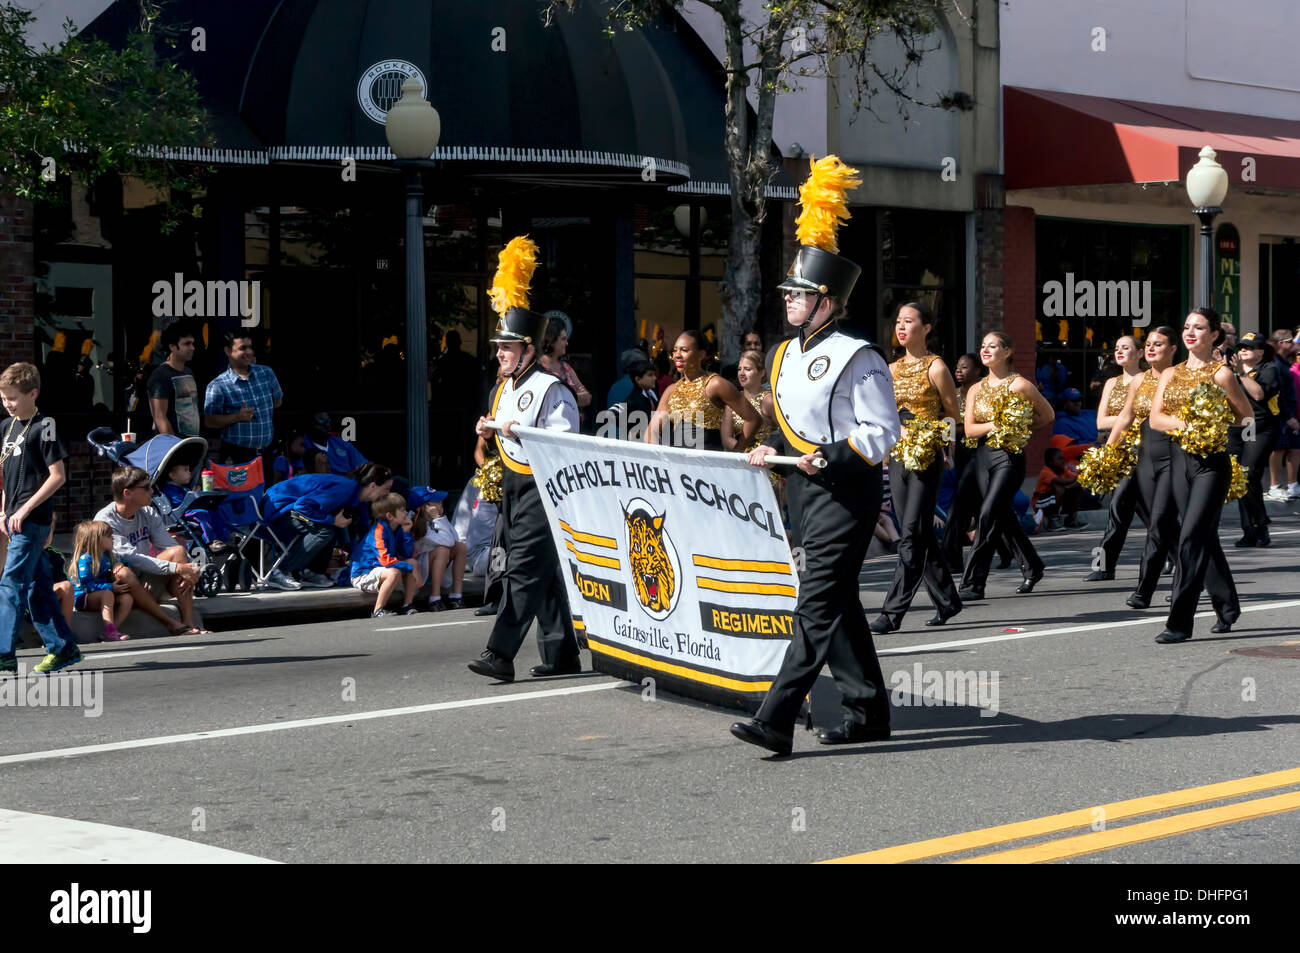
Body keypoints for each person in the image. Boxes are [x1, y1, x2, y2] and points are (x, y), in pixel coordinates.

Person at [730, 155, 900, 756]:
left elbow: (882, 434)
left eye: (799, 294)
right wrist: (768, 449)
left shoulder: (861, 356)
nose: (789, 301)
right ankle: (867, 711)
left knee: (815, 602)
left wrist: (826, 459)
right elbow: (788, 425)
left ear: (827, 301)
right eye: (789, 292)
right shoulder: (779, 354)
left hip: (845, 494)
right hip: (803, 489)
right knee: (838, 602)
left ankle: (774, 717)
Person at [467, 236, 584, 682]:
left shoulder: (554, 389)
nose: (500, 354)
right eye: (499, 347)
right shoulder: (505, 387)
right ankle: (561, 654)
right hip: (514, 486)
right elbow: (503, 430)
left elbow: (566, 442)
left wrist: (525, 433)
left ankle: (499, 654)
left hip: (543, 486)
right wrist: (488, 428)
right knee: (543, 570)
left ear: (530, 350)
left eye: (509, 348)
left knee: (523, 569)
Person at [1148, 308, 1251, 643]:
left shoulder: (1221, 375)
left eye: (1199, 327)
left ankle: (1178, 622)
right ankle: (1228, 606)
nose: (1190, 332)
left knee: (1190, 537)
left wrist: (1214, 422)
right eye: (1187, 326)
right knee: (1203, 537)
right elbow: (1156, 419)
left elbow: (1246, 418)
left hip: (1211, 465)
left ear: (1214, 336)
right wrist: (1188, 424)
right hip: (1180, 459)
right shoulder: (1169, 374)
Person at [870, 301, 962, 633]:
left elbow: (952, 414)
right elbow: (883, 415)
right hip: (897, 454)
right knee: (918, 531)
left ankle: (891, 613)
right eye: (898, 321)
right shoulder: (890, 369)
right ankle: (949, 600)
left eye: (909, 321)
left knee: (909, 533)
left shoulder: (936, 367)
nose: (901, 326)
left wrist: (947, 447)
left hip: (927, 454)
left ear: (926, 328)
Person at [958, 331, 1055, 600]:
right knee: (1003, 517)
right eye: (983, 346)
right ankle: (1033, 566)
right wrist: (995, 425)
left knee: (987, 514)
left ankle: (972, 584)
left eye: (993, 346)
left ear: (1008, 351)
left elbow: (1048, 415)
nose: (986, 350)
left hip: (1009, 457)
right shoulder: (976, 388)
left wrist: (1020, 429)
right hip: (982, 457)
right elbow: (968, 430)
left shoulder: (1021, 385)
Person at [0, 362, 83, 674]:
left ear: (32, 393)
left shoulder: (44, 425)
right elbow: (6, 476)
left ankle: (3, 652)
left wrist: (24, 510)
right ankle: (62, 648)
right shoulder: (5, 429)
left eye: (13, 398)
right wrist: (4, 511)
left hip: (31, 520)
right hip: (13, 519)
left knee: (10, 582)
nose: (8, 404)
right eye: (3, 398)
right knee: (36, 586)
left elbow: (57, 476)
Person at [1106, 326, 1180, 608]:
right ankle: (1191, 580)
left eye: (1158, 344)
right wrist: (1108, 455)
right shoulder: (1139, 381)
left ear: (1173, 349)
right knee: (1164, 526)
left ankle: (1143, 591)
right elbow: (1124, 418)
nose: (1150, 348)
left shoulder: (1181, 378)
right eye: (1148, 343)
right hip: (1144, 457)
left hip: (1175, 457)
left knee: (1160, 524)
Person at [93, 466, 212, 636]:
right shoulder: (105, 520)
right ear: (127, 493)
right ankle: (170, 623)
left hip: (146, 580)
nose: (152, 492)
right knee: (123, 571)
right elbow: (133, 558)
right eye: (146, 488)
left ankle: (189, 623)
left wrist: (189, 568)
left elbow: (169, 545)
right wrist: (178, 568)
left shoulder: (148, 512)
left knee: (178, 551)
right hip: (119, 590)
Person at [261, 462, 394, 591]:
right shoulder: (344, 489)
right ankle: (280, 572)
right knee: (325, 531)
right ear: (373, 486)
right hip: (276, 509)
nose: (387, 494)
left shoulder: (360, 498)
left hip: (292, 511)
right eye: (386, 489)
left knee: (330, 528)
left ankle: (312, 572)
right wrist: (332, 520)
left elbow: (364, 532)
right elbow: (301, 506)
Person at [1085, 336, 1147, 579]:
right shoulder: (1111, 383)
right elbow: (1101, 422)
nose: (1119, 351)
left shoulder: (1148, 380)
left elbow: (1150, 418)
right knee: (1140, 509)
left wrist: (1125, 419)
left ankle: (1104, 566)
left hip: (1142, 450)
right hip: (1116, 448)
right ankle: (1173, 555)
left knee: (1119, 505)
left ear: (1140, 353)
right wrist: (1127, 418)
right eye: (1117, 347)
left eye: (1126, 347)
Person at [645, 330, 758, 451]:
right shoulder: (671, 390)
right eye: (675, 350)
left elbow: (753, 419)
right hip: (677, 466)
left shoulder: (716, 384)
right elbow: (651, 431)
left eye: (684, 350)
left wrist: (737, 453)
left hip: (708, 466)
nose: (677, 355)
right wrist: (660, 458)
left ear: (701, 355)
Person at [203, 332, 283, 473]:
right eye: (242, 348)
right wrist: (237, 417)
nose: (248, 352)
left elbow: (278, 401)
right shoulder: (218, 385)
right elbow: (209, 421)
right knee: (241, 495)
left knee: (269, 493)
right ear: (228, 351)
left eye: (250, 348)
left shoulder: (266, 373)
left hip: (267, 452)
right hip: (237, 456)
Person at [1229, 333, 1280, 547]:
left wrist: (1242, 373)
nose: (1243, 350)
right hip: (1236, 428)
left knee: (1248, 474)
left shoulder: (1269, 369)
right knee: (1238, 479)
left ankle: (1260, 523)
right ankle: (1251, 530)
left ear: (1261, 351)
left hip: (1260, 429)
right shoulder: (1231, 372)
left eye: (1249, 348)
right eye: (1241, 347)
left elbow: (1259, 395)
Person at [350, 491, 418, 618]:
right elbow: (385, 560)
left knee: (412, 562)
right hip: (363, 574)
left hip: (381, 570)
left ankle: (407, 605)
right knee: (395, 572)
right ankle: (377, 611)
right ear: (390, 515)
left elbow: (408, 554)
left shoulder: (398, 528)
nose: (406, 513)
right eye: (402, 510)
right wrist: (409, 568)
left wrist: (406, 532)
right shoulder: (378, 531)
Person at [69, 520, 132, 641]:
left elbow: (127, 564)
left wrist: (119, 565)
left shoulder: (108, 556)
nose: (112, 538)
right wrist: (110, 587)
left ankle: (110, 631)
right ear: (96, 540)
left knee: (127, 599)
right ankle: (111, 630)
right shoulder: (85, 559)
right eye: (108, 536)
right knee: (107, 594)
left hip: (103, 595)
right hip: (84, 598)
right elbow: (87, 587)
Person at [409, 486, 466, 611]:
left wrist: (439, 519)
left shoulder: (435, 519)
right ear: (426, 507)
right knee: (442, 549)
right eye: (437, 501)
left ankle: (456, 595)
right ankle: (435, 598)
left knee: (461, 547)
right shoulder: (416, 524)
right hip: (421, 569)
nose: (441, 503)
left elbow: (455, 539)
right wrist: (437, 518)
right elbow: (448, 541)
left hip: (436, 565)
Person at [147, 321, 202, 438]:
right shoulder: (161, 375)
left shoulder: (188, 372)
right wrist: (173, 446)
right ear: (172, 346)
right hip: (174, 446)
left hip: (192, 442)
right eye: (187, 344)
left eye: (193, 343)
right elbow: (159, 416)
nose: (192, 348)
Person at [1265, 328, 1300, 501]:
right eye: (1290, 341)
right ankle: (1274, 485)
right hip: (1279, 413)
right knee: (1278, 449)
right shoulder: (1276, 364)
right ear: (1281, 344)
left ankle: (1290, 486)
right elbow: (1279, 393)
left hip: (1288, 412)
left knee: (1290, 448)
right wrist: (1288, 416)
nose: (1293, 345)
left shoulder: (1283, 362)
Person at [721, 350, 774, 452]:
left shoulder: (768, 400)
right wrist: (747, 454)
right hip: (741, 459)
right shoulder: (733, 400)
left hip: (765, 461)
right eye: (739, 369)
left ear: (762, 373)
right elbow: (726, 439)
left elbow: (782, 432)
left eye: (747, 369)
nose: (741, 373)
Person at [538, 318, 592, 417]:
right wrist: (574, 398)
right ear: (551, 340)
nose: (567, 343)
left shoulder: (566, 368)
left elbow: (587, 398)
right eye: (563, 339)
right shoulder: (537, 368)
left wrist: (562, 399)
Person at [1033, 444, 1082, 532]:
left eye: (1063, 458)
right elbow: (1062, 482)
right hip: (1040, 505)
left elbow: (1074, 479)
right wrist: (1079, 478)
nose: (1063, 461)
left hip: (1054, 502)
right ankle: (1053, 520)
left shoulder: (1063, 469)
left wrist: (1079, 480)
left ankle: (1071, 519)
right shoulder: (1045, 472)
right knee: (1059, 487)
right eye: (1060, 459)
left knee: (1078, 487)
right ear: (1050, 462)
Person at [305, 412, 368, 477]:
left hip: (349, 485)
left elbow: (364, 466)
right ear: (310, 424)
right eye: (321, 421)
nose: (328, 425)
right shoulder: (302, 445)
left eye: (328, 421)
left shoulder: (341, 444)